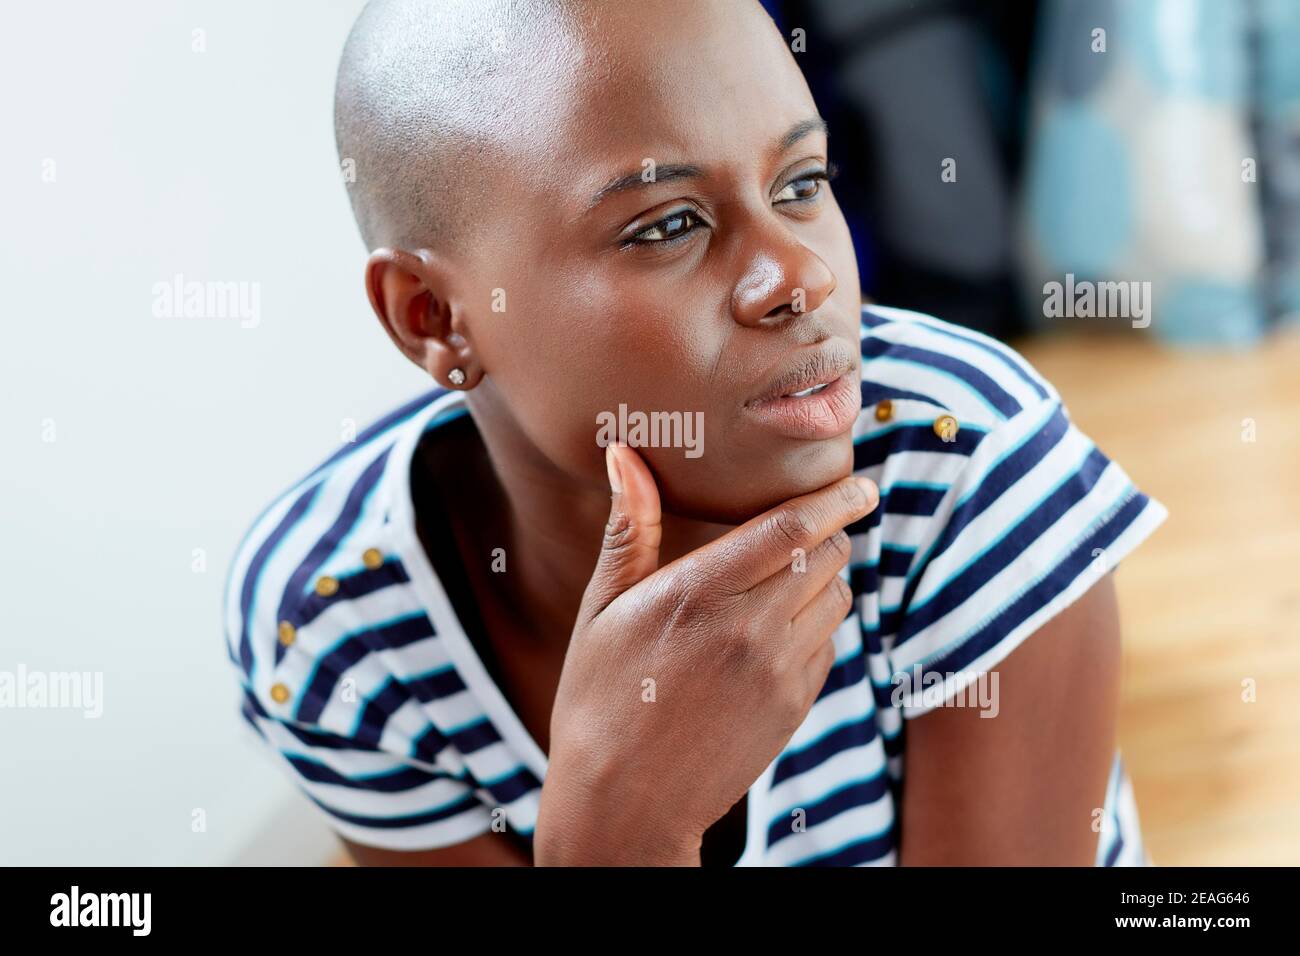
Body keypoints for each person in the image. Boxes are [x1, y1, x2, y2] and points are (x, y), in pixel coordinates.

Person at [223, 0, 1166, 866]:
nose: (800, 278)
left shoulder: (974, 464)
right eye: (668, 224)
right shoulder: (333, 620)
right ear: (433, 316)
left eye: (802, 183)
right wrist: (618, 830)